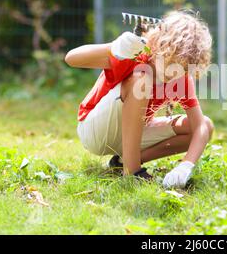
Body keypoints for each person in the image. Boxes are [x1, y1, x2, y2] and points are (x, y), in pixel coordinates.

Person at [65, 10, 214, 188]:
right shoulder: (134, 54)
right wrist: (113, 48)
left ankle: (122, 162)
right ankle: (133, 172)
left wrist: (186, 164)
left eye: (183, 68)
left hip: (131, 135)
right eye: (171, 62)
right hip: (96, 131)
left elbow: (200, 128)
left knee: (206, 125)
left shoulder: (180, 77)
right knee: (141, 80)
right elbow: (71, 58)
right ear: (159, 46)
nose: (175, 72)